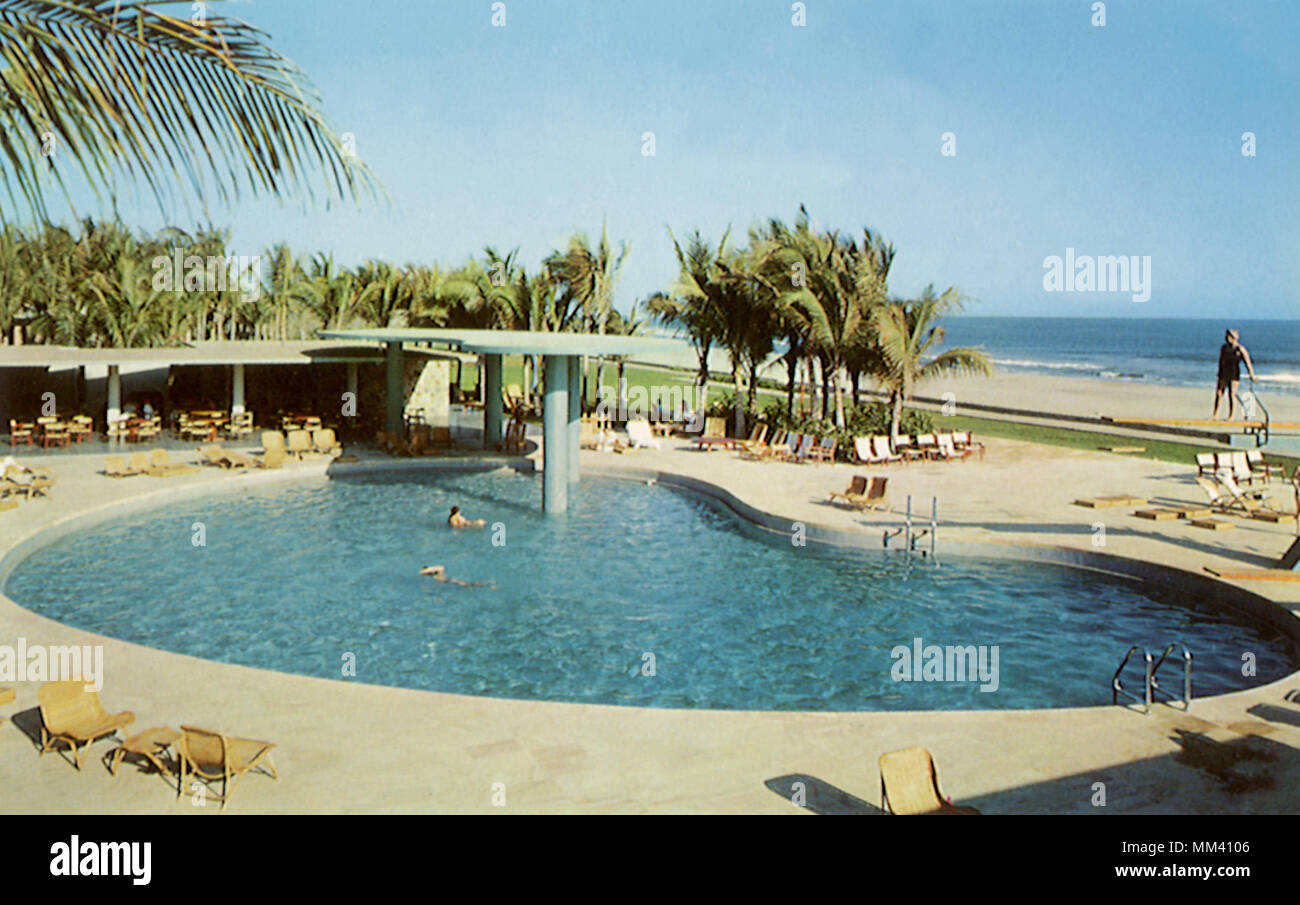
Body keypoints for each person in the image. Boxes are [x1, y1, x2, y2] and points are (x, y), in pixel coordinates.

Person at [1212, 329, 1257, 421]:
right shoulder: (1224, 348)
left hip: (1234, 373)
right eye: (1227, 336)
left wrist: (1252, 375)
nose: (1228, 338)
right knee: (1219, 393)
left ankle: (1231, 416)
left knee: (1232, 394)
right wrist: (1219, 372)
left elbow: (1248, 363)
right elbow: (1221, 361)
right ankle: (1215, 414)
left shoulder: (1240, 349)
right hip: (1224, 372)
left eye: (1230, 336)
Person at [419, 565, 495, 588]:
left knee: (467, 585)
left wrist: (430, 569)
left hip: (449, 581)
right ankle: (488, 583)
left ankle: (488, 584)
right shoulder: (436, 576)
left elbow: (441, 567)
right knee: (467, 584)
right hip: (449, 581)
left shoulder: (436, 576)